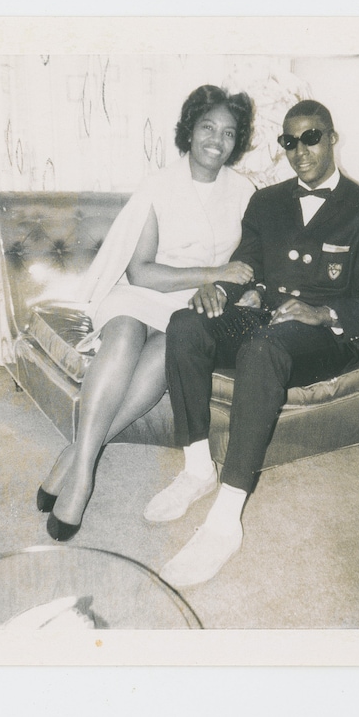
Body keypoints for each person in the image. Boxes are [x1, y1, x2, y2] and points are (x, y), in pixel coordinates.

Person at [146, 99, 359, 587]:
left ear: (331, 138)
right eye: (289, 141)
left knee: (261, 349)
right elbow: (247, 265)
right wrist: (220, 290)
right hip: (265, 320)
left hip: (328, 337)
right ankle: (197, 467)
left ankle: (226, 515)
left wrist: (322, 312)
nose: (300, 150)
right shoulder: (267, 201)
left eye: (311, 138)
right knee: (185, 324)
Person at [38, 85, 257, 542]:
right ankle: (83, 477)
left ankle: (79, 454)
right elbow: (141, 273)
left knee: (163, 358)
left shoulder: (244, 191)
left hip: (191, 307)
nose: (217, 140)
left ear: (238, 142)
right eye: (207, 127)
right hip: (142, 295)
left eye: (229, 132)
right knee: (121, 338)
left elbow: (249, 262)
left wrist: (219, 285)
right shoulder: (159, 185)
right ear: (189, 131)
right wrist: (215, 271)